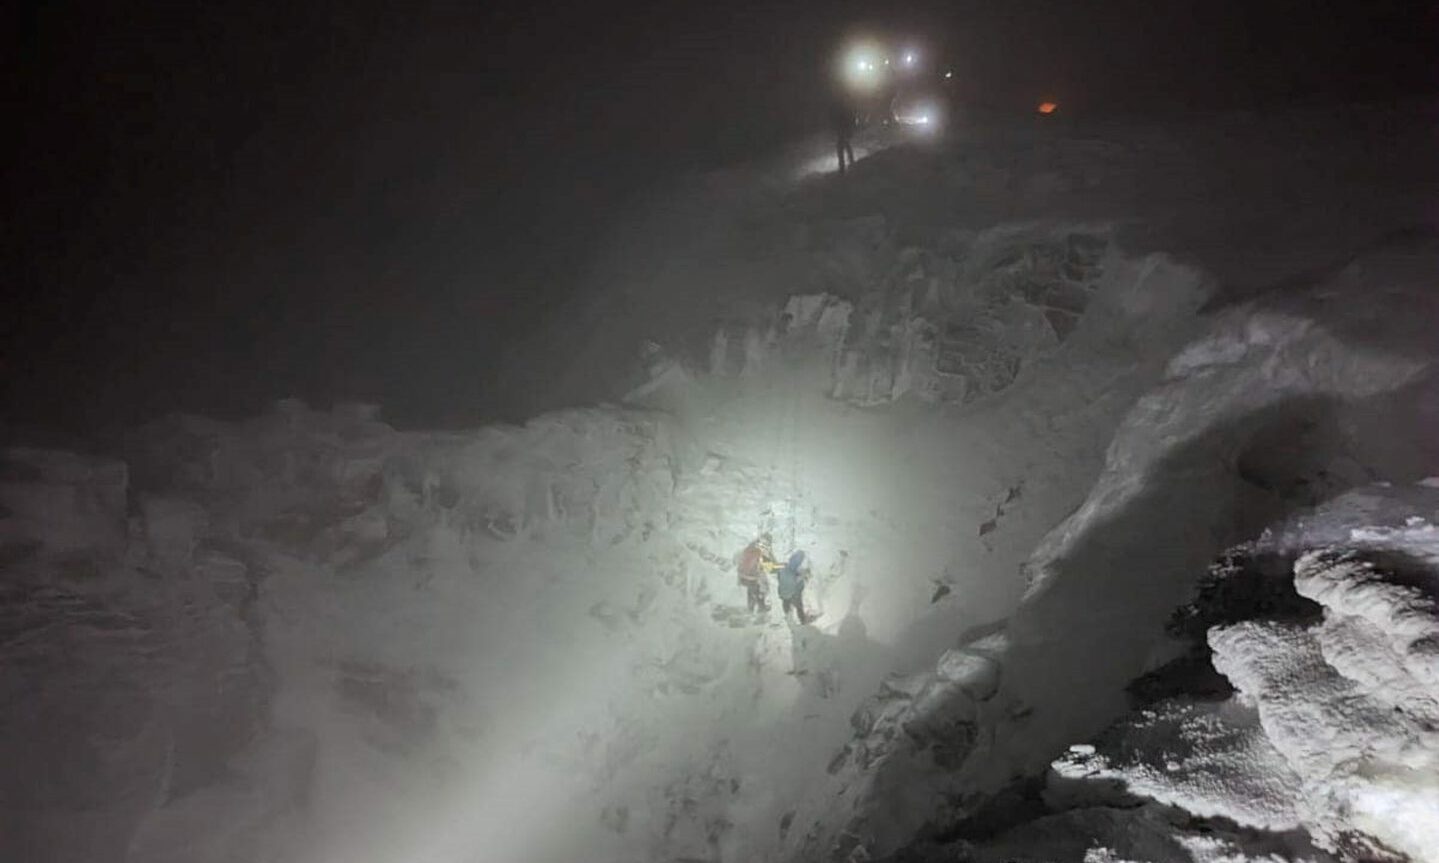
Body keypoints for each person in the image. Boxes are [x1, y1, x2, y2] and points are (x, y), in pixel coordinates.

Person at [737, 533, 778, 613]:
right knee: (762, 586)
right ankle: (761, 610)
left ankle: (750, 609)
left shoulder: (752, 545)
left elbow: (740, 558)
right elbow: (772, 567)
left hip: (743, 576)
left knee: (752, 589)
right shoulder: (764, 548)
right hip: (754, 577)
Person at [776, 549, 811, 624]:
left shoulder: (784, 567)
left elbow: (779, 577)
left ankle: (788, 615)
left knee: (786, 602)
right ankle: (803, 619)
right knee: (799, 605)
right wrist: (803, 576)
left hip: (783, 593)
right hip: (793, 594)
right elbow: (796, 581)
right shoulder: (797, 569)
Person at [829, 92, 856, 174]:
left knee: (842, 146)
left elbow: (851, 119)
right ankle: (849, 163)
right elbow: (839, 119)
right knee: (845, 145)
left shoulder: (847, 108)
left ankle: (844, 166)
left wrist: (850, 128)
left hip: (845, 129)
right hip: (843, 129)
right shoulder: (844, 108)